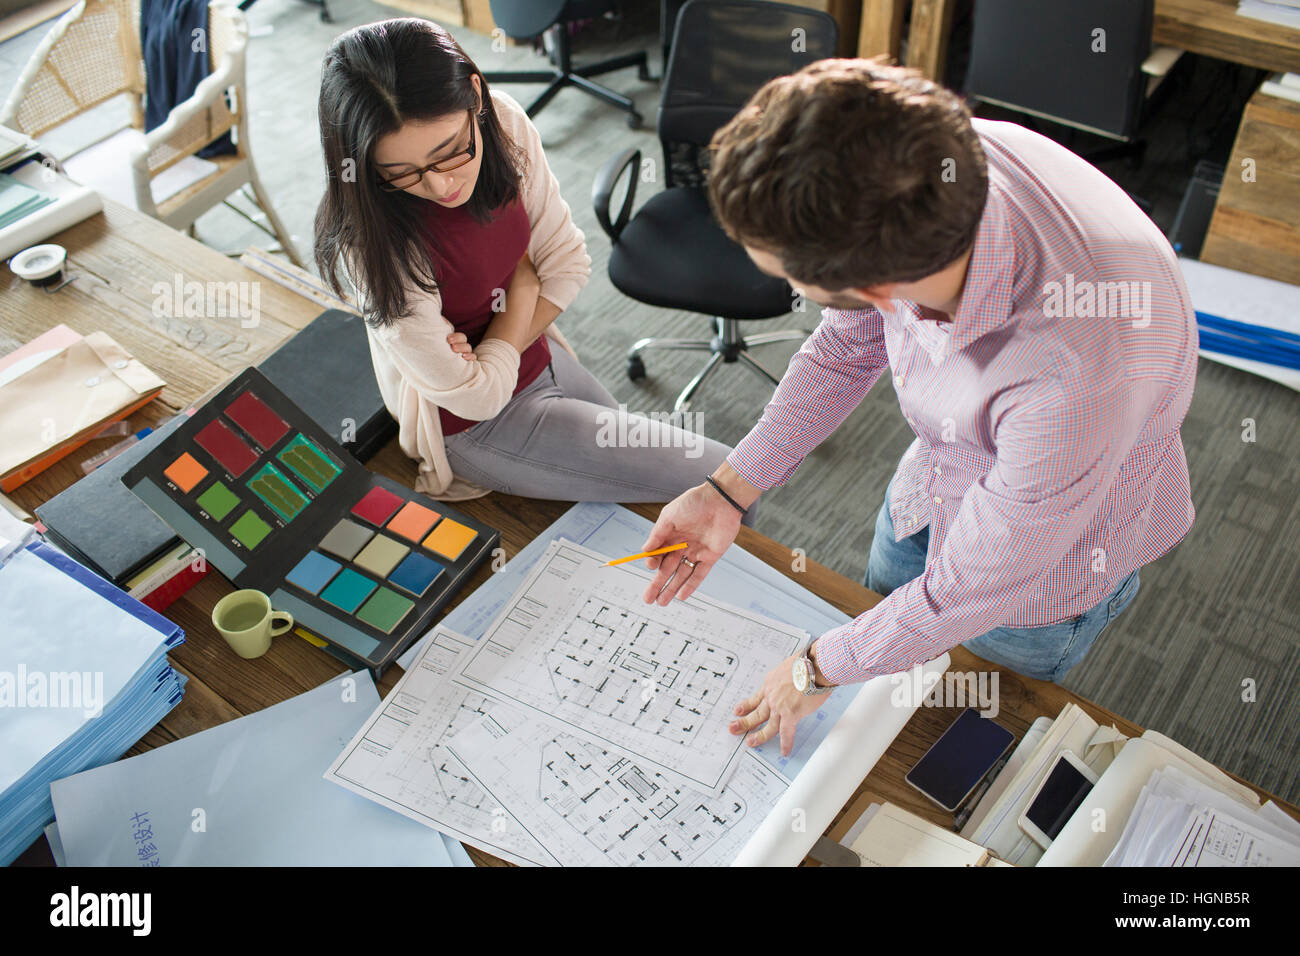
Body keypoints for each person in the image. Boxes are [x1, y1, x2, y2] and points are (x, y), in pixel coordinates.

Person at [639, 59, 1197, 755]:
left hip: (1040, 580)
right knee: (872, 651)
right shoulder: (925, 167)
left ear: (877, 290)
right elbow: (844, 352)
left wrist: (817, 666)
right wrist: (729, 490)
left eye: (793, 284)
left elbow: (969, 593)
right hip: (934, 481)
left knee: (955, 734)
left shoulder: (1074, 376)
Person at [314, 18, 753, 521]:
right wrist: (522, 288)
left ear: (475, 95)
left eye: (450, 151)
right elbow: (476, 399)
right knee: (722, 476)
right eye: (401, 173)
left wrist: (491, 347)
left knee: (705, 492)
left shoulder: (503, 123)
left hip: (542, 360)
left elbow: (568, 265)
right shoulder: (369, 244)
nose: (440, 187)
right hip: (477, 428)